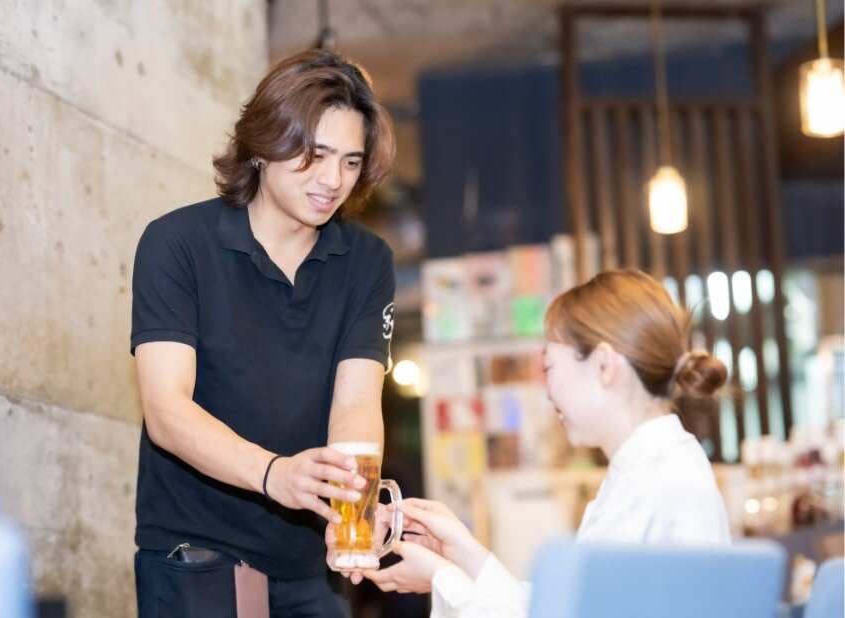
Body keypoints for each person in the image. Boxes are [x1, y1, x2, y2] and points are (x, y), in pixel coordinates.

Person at [130, 49, 397, 617]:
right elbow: (166, 410)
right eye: (315, 155)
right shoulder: (177, 244)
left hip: (309, 560)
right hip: (196, 553)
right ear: (262, 144)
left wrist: (355, 516)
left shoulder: (367, 261)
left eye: (350, 162)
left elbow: (356, 405)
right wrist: (274, 474)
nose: (333, 180)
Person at [346, 269, 731, 616]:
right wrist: (463, 553)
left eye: (549, 367)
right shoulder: (650, 469)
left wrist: (443, 576)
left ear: (603, 365)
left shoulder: (661, 483)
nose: (547, 391)